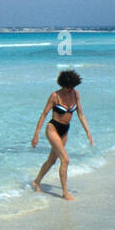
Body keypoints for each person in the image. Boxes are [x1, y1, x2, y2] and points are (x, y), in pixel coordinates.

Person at [31, 70, 93, 201]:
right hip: (53, 128)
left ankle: (36, 182)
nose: (69, 90)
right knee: (65, 159)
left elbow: (80, 114)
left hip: (65, 130)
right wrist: (36, 135)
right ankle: (65, 192)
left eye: (72, 87)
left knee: (52, 160)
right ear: (62, 84)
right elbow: (44, 115)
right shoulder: (55, 96)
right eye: (67, 87)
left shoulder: (75, 94)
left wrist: (88, 131)